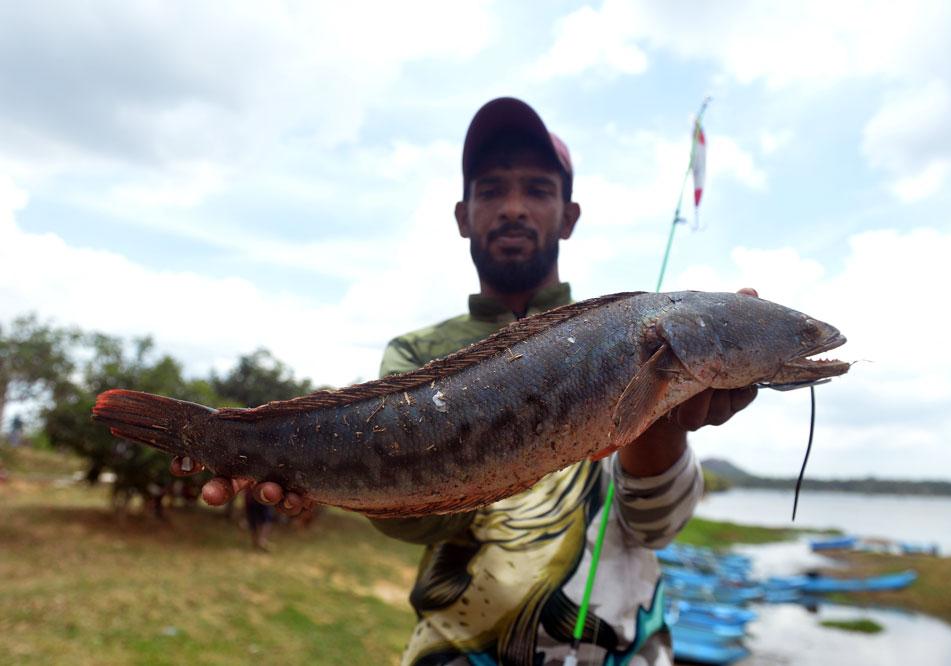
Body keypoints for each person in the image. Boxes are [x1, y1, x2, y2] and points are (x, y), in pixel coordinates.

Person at [172, 97, 758, 665]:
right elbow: (425, 519)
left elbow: (655, 527)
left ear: (569, 216)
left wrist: (666, 415)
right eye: (491, 189)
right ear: (463, 215)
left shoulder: (625, 337)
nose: (512, 207)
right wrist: (305, 468)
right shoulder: (418, 354)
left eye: (537, 188)